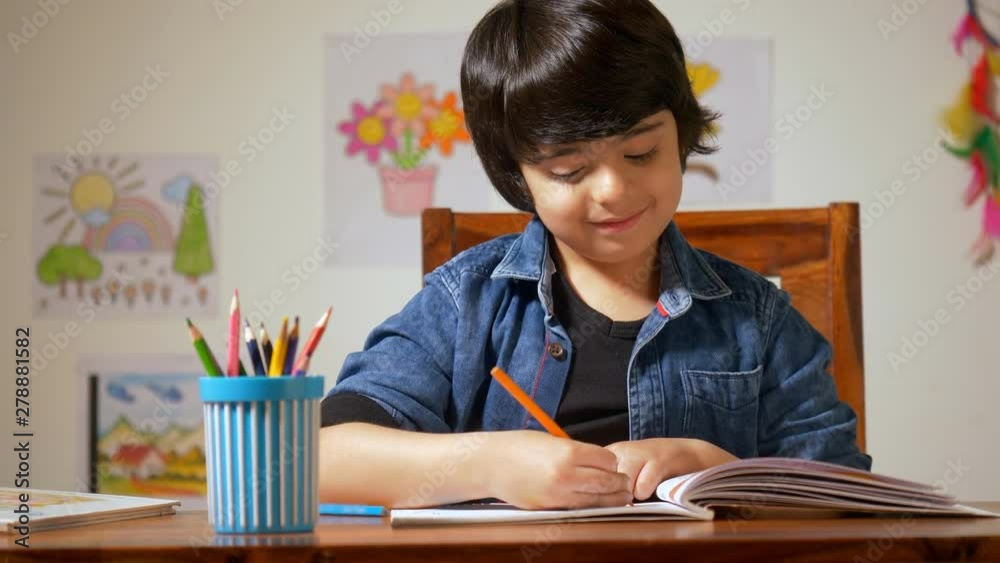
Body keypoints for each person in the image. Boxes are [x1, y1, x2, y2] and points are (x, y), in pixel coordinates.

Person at [318, 0, 870, 510]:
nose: (611, 189)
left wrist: (717, 469)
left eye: (640, 151)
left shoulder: (761, 321)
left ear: (680, 135)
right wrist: (489, 464)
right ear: (518, 174)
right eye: (568, 170)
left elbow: (850, 503)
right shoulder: (468, 303)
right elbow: (323, 458)